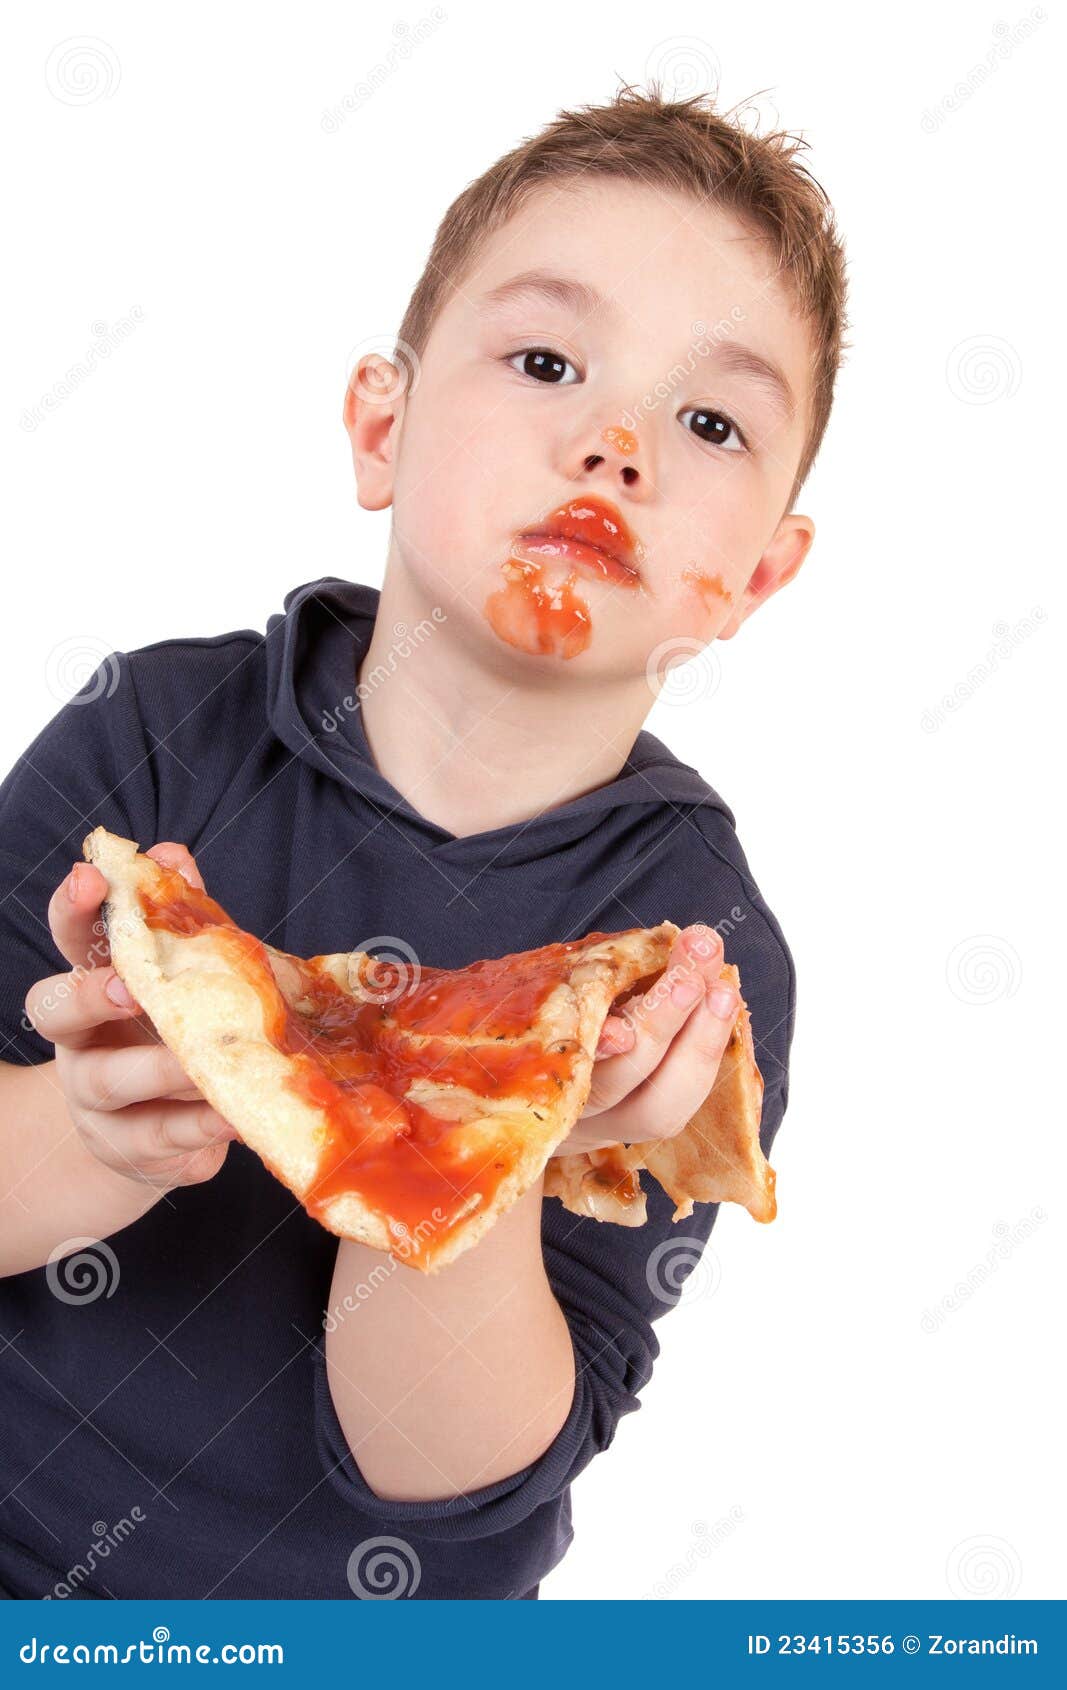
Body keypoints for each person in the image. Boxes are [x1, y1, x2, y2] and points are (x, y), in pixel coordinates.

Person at [0, 82, 848, 1600]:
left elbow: (440, 1482)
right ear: (381, 425)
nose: (616, 441)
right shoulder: (153, 742)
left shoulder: (687, 961)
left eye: (709, 420)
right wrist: (82, 1134)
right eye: (546, 360)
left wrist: (487, 1148)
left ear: (750, 581)